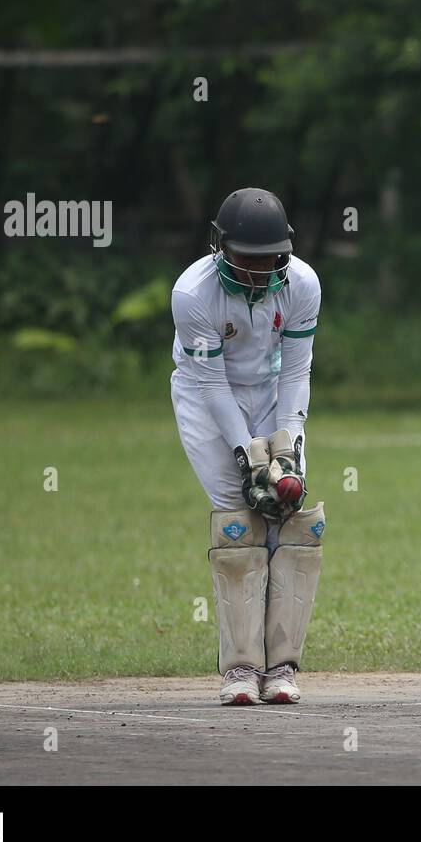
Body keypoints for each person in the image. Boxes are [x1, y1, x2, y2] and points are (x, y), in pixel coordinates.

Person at [169, 187, 325, 706]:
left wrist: (289, 450)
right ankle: (240, 670)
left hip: (272, 390)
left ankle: (281, 667)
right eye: (246, 260)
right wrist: (248, 456)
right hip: (203, 393)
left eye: (269, 260)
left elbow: (298, 371)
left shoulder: (301, 282)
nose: (259, 271)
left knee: (291, 516)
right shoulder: (193, 293)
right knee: (239, 517)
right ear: (221, 247)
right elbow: (212, 386)